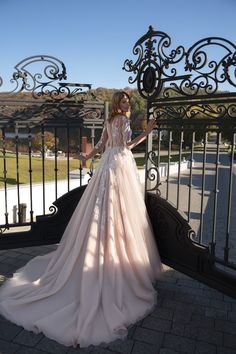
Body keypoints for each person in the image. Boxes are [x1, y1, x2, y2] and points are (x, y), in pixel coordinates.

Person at [0, 91, 163, 348]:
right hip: (120, 164)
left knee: (100, 207)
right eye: (123, 102)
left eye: (127, 102)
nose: (126, 105)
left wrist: (87, 157)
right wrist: (149, 131)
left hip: (106, 165)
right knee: (120, 209)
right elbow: (127, 146)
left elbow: (101, 145)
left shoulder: (109, 121)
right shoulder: (122, 121)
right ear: (118, 106)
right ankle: (116, 249)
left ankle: (98, 246)